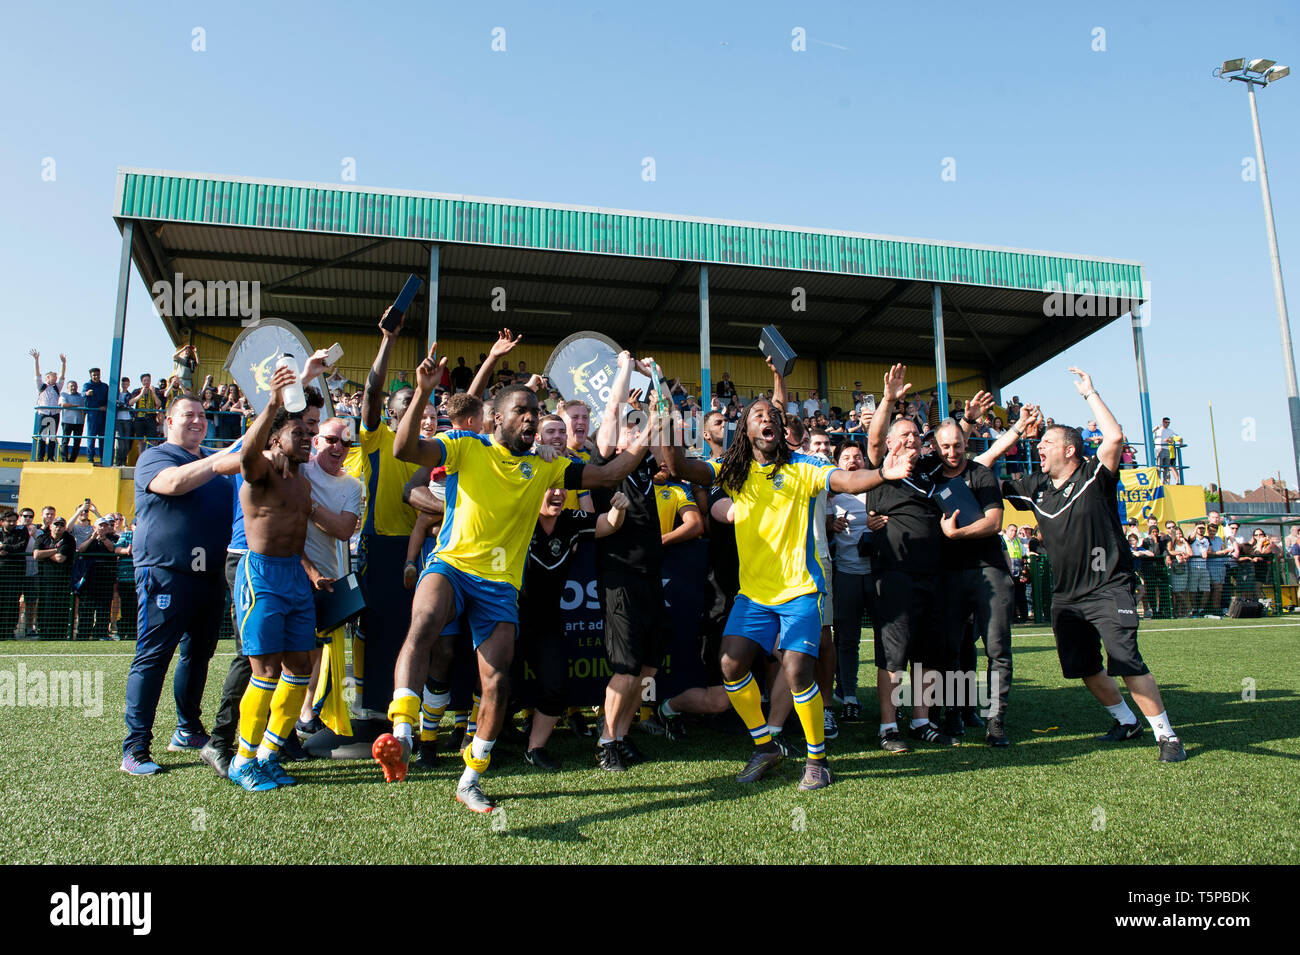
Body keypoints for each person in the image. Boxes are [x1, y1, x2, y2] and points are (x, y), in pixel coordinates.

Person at [371, 344, 655, 813]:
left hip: (500, 585)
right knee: (422, 623)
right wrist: (422, 393)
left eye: (535, 410)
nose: (530, 417)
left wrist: (654, 425)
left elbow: (611, 473)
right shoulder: (465, 446)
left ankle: (470, 778)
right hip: (452, 564)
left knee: (498, 682)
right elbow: (403, 448)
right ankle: (401, 731)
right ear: (496, 419)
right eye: (520, 411)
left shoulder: (546, 465)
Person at [664, 395, 911, 791]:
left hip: (800, 590)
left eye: (773, 416)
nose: (767, 419)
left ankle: (818, 759)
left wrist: (883, 472)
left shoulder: (804, 466)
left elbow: (846, 480)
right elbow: (680, 466)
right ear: (744, 431)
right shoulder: (733, 470)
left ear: (780, 429)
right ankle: (765, 746)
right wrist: (666, 424)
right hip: (754, 595)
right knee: (731, 665)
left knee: (797, 670)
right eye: (758, 415)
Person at [989, 368, 1187, 762]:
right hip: (1066, 596)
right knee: (1082, 666)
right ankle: (1125, 721)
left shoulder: (1095, 475)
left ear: (1070, 450)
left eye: (1047, 443)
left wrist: (1089, 393)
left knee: (1126, 659)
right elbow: (982, 473)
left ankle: (1166, 737)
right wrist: (1016, 430)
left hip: (1109, 587)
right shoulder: (1034, 488)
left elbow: (1113, 437)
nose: (1039, 448)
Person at [121, 393, 235, 775]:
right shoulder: (156, 457)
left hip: (208, 576)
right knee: (153, 656)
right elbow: (173, 484)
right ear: (167, 422)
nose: (197, 421)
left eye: (203, 415)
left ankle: (187, 728)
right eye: (188, 415)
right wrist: (219, 459)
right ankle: (135, 747)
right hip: (166, 571)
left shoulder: (216, 465)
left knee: (198, 655)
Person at [225, 365, 319, 791]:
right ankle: (242, 760)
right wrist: (272, 404)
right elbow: (245, 456)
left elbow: (297, 538)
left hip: (294, 579)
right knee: (263, 671)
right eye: (296, 434)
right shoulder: (260, 467)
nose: (306, 439)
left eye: (308, 435)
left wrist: (312, 573)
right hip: (260, 576)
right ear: (276, 437)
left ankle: (266, 755)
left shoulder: (301, 481)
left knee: (299, 669)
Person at [343, 308, 422, 725]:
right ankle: (374, 707)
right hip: (384, 544)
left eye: (418, 402)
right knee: (379, 628)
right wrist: (388, 340)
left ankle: (414, 711)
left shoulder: (431, 447)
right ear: (391, 412)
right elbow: (372, 391)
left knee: (418, 632)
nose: (414, 407)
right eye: (405, 402)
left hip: (424, 550)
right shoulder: (377, 437)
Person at [519, 485, 629, 770]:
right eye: (549, 488)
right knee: (496, 685)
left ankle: (536, 748)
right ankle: (480, 742)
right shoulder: (518, 513)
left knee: (556, 685)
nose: (556, 494)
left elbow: (607, 524)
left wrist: (618, 507)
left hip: (548, 621)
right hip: (509, 617)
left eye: (561, 488)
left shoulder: (571, 520)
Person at [827, 442, 872, 722]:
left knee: (887, 637)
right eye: (846, 457)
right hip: (845, 574)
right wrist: (830, 525)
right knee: (847, 640)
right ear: (837, 464)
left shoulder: (878, 490)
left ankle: (893, 699)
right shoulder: (830, 496)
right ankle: (849, 695)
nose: (852, 461)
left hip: (878, 574)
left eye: (857, 456)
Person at [34, 517, 75, 637]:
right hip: (45, 579)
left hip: (63, 579)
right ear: (51, 526)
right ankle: (44, 631)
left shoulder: (69, 539)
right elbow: (36, 555)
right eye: (56, 525)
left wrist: (45, 553)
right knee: (45, 605)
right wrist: (55, 550)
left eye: (61, 525)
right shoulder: (43, 537)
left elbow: (60, 558)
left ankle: (60, 633)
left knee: (61, 606)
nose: (58, 527)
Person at [32, 350, 66, 462]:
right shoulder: (42, 386)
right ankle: (40, 456)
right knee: (42, 435)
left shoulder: (57, 387)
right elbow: (37, 374)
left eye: (55, 377)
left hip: (54, 414)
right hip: (43, 413)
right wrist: (36, 360)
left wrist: (63, 363)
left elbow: (62, 377)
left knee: (52, 436)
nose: (55, 378)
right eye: (53, 377)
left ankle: (50, 457)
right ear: (47, 378)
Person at [1, 511, 29, 638]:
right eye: (9, 521)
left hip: (16, 573)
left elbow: (21, 546)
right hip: (1, 572)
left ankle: (9, 630)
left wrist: (5, 547)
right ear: (2, 522)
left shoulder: (22, 531)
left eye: (14, 521)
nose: (12, 523)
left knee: (12, 601)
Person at [82, 368, 110, 464]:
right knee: (91, 437)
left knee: (103, 438)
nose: (96, 376)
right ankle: (90, 459)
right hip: (92, 415)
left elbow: (110, 399)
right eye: (94, 375)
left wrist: (106, 407)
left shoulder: (105, 386)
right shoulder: (87, 385)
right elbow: (82, 394)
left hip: (103, 415)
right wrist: (86, 393)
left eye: (98, 374)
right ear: (91, 375)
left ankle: (103, 459)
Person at [58, 380, 85, 462]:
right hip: (67, 421)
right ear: (67, 387)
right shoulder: (64, 395)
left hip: (79, 422)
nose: (73, 388)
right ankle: (64, 460)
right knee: (65, 441)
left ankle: (72, 460)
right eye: (71, 386)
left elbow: (85, 407)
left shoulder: (81, 396)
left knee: (77, 443)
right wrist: (76, 406)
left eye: (75, 386)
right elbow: (63, 404)